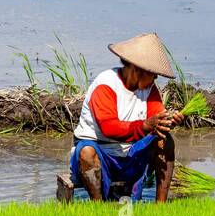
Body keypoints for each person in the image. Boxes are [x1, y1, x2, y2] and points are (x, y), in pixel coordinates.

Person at [69, 33, 183, 204]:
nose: (156, 78)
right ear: (137, 68)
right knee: (86, 152)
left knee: (165, 141)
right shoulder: (106, 85)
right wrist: (145, 126)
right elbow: (110, 128)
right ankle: (98, 207)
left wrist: (168, 122)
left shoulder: (149, 89)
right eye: (153, 73)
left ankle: (161, 207)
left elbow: (157, 117)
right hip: (101, 152)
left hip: (130, 154)